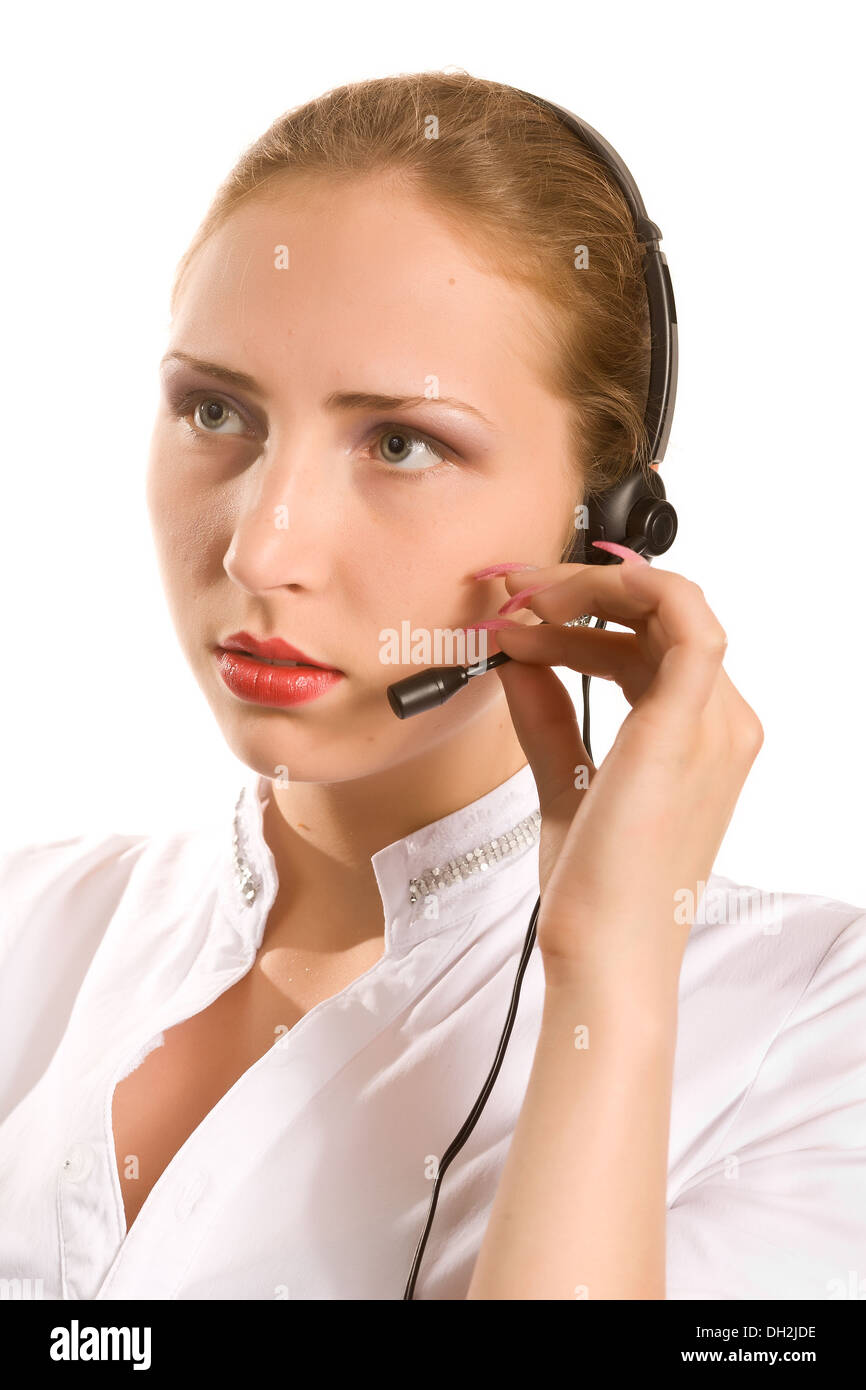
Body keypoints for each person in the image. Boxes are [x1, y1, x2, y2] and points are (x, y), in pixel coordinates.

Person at [0, 71, 863, 1302]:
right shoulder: (28, 926)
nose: (261, 548)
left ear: (604, 528)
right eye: (215, 409)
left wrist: (607, 990)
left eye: (402, 441)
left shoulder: (807, 1025)